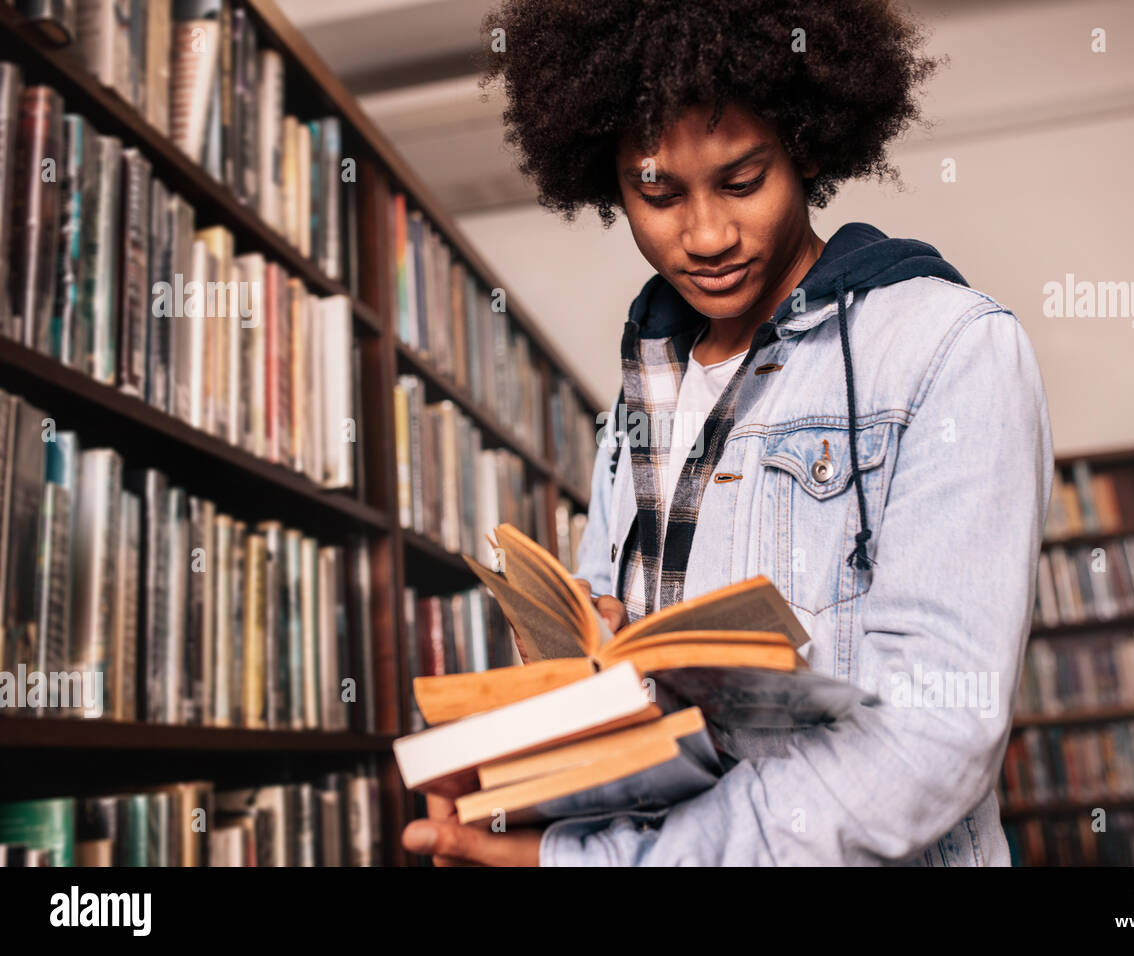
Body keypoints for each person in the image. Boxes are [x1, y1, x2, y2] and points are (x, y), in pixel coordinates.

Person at [402, 0, 1054, 866]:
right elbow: (621, 708)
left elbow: (932, 736)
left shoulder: (949, 349)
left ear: (807, 149)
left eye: (743, 181)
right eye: (657, 192)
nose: (706, 236)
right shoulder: (644, 389)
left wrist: (594, 863)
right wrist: (569, 692)